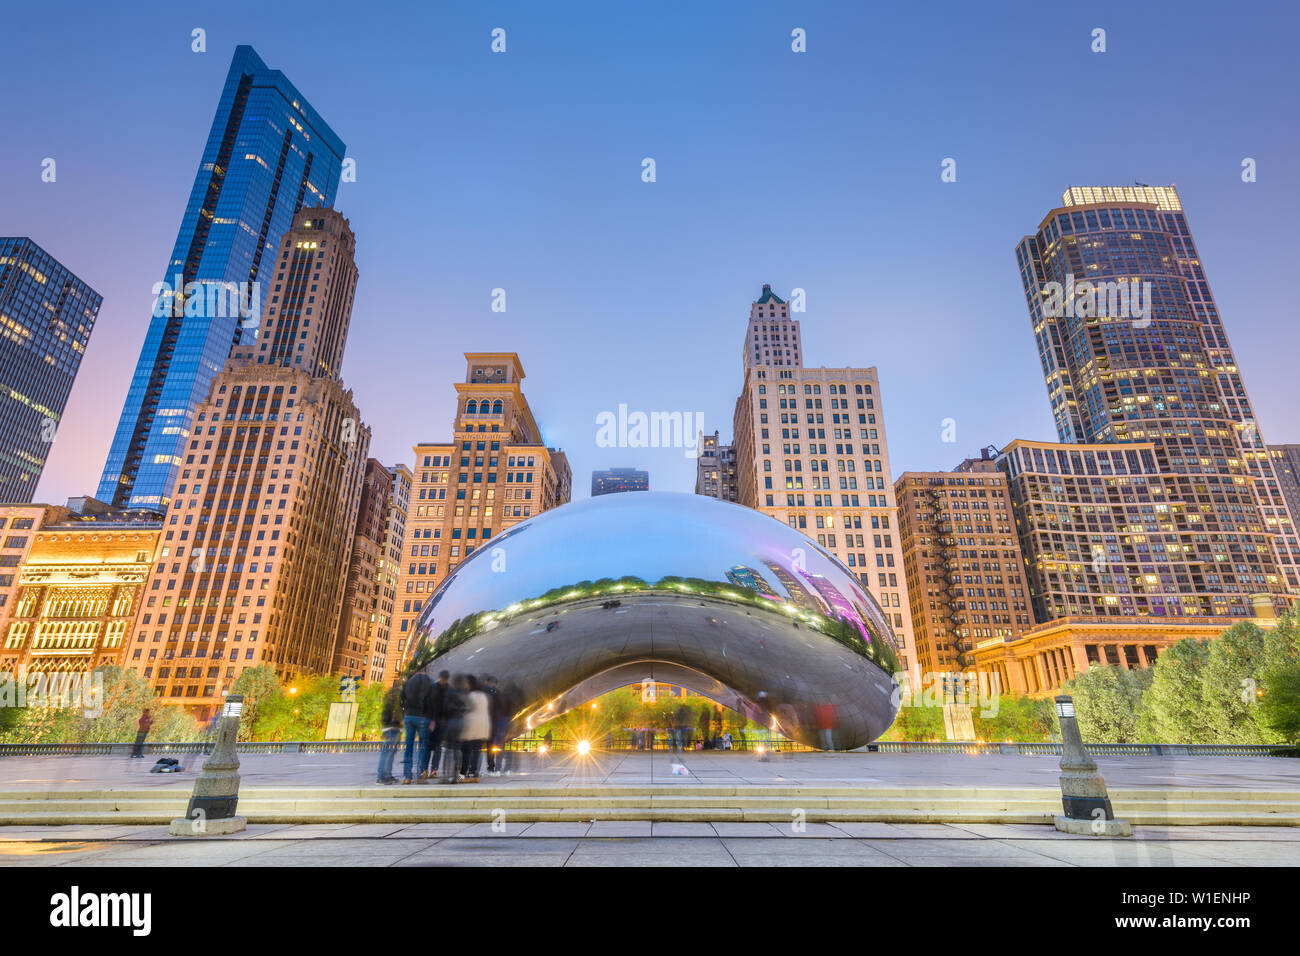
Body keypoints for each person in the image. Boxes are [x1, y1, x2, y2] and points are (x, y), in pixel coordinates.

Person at [400, 670, 434, 784]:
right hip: (422, 717)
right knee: (423, 746)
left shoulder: (408, 682)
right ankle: (420, 774)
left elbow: (401, 699)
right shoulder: (429, 682)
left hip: (409, 716)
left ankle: (407, 776)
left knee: (408, 746)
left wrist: (405, 712)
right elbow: (431, 701)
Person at [459, 675, 490, 783]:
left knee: (467, 750)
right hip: (482, 726)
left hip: (471, 726)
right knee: (476, 750)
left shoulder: (470, 696)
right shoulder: (483, 696)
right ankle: (473, 772)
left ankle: (463, 772)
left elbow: (465, 711)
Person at [424, 671, 451, 779]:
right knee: (432, 747)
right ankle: (428, 769)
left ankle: (431, 769)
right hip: (435, 720)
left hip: (438, 721)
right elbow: (431, 704)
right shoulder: (441, 688)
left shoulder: (434, 687)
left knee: (435, 747)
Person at [377, 678, 403, 784]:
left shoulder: (389, 695)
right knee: (388, 752)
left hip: (389, 727)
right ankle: (382, 776)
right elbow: (395, 712)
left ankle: (386, 775)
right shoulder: (397, 696)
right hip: (392, 727)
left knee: (389, 752)